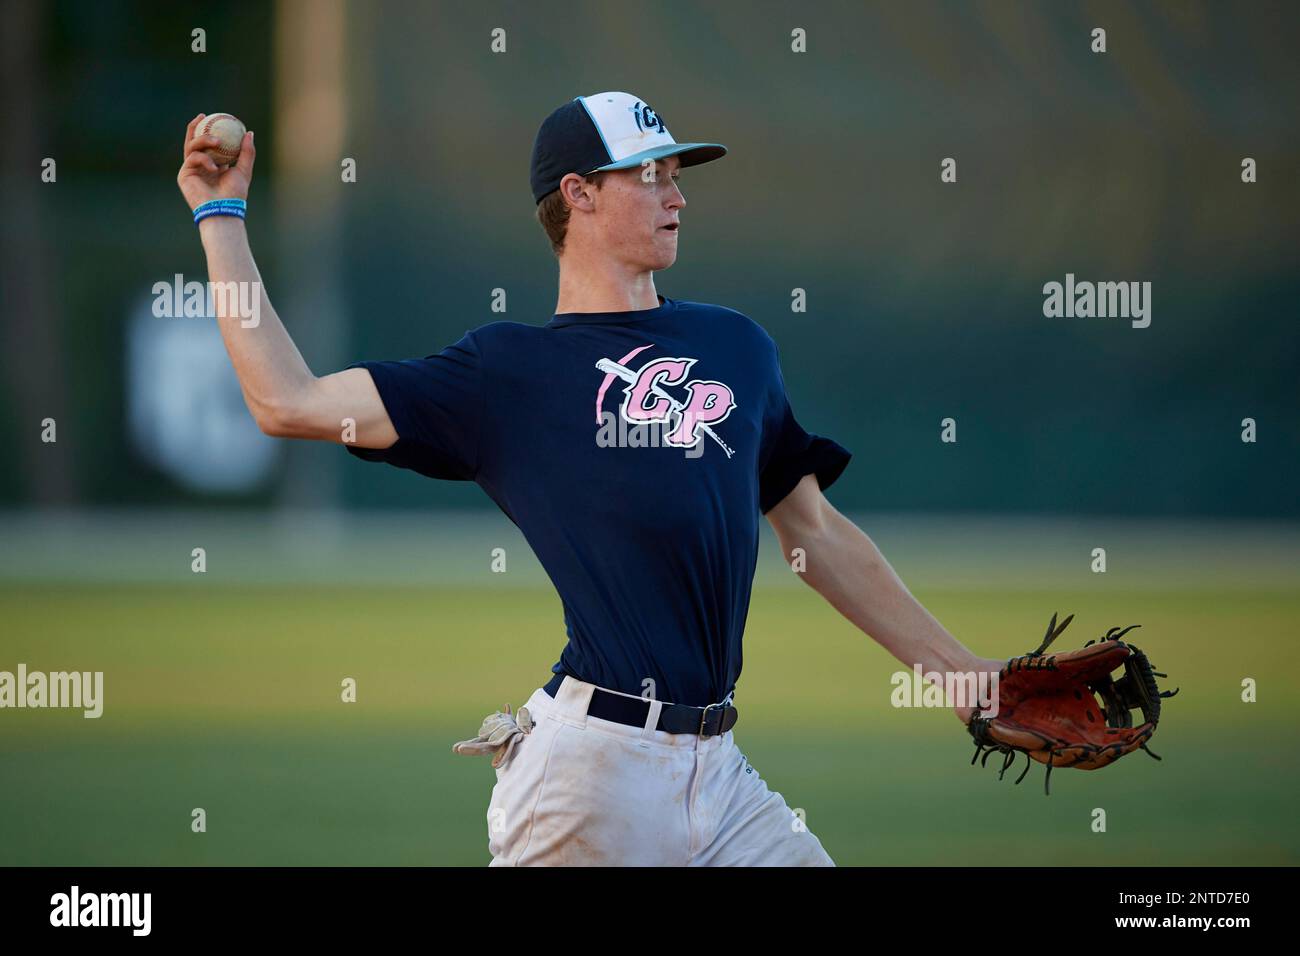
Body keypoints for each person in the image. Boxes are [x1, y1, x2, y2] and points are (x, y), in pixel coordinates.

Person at [177, 91, 1001, 866]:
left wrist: (965, 677)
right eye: (651, 176)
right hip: (590, 779)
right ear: (579, 193)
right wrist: (222, 218)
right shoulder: (507, 373)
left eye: (677, 176)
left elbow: (814, 534)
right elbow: (287, 401)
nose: (676, 196)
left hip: (720, 773)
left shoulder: (738, 348)